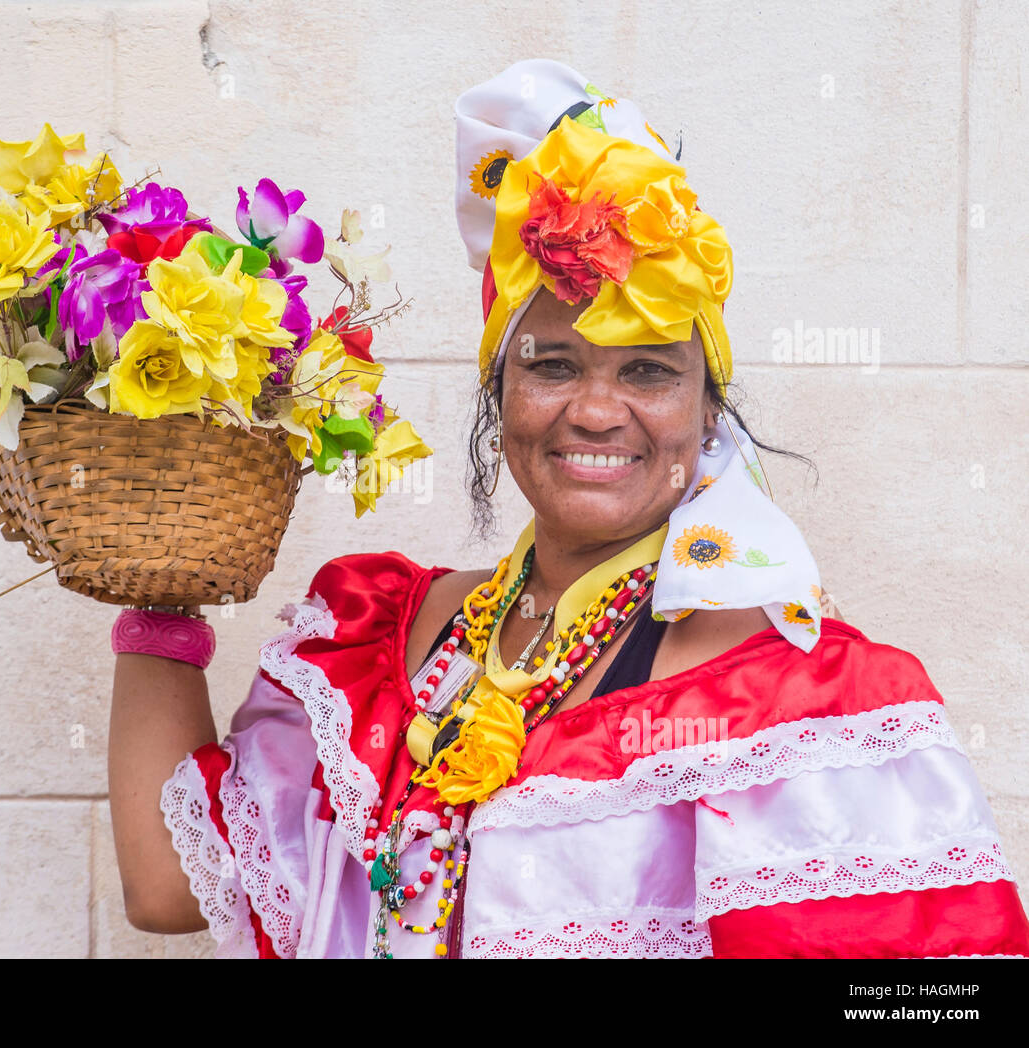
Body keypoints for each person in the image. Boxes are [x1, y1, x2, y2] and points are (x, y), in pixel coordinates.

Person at [106, 59, 1029, 958]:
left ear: (708, 410)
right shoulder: (380, 640)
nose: (595, 409)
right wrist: (158, 573)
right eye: (552, 364)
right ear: (497, 390)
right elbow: (169, 890)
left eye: (648, 370)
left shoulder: (800, 703)